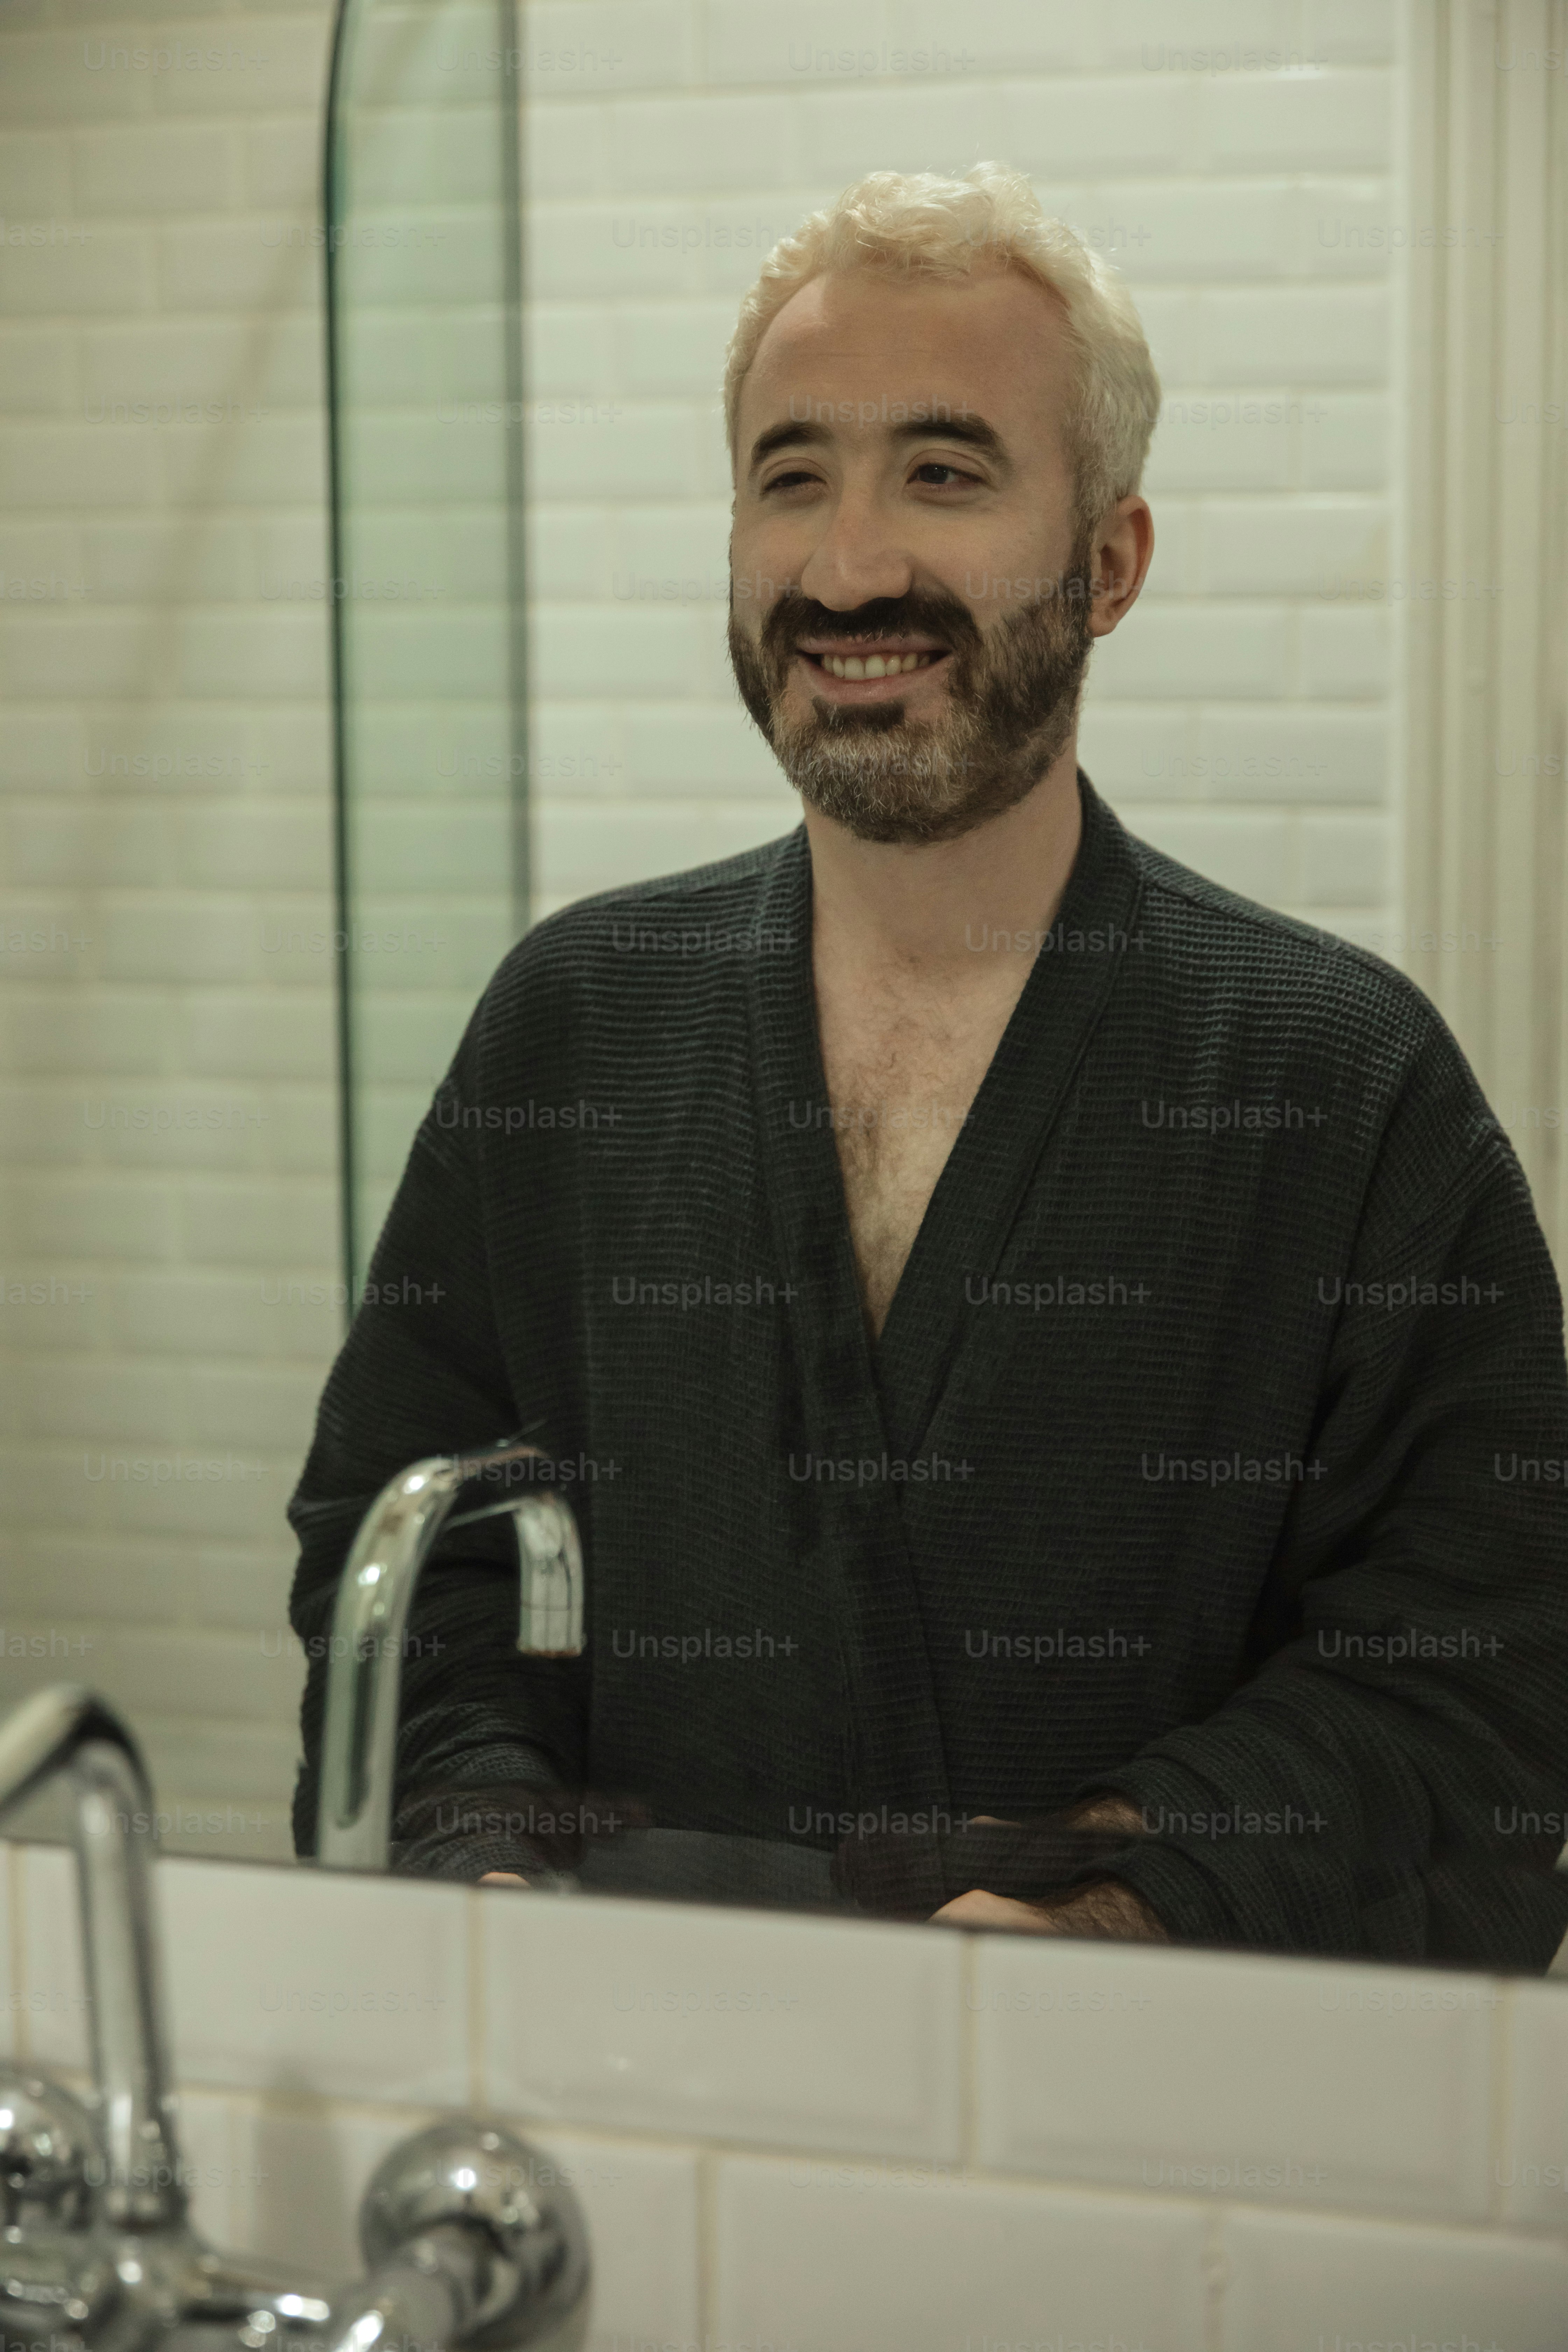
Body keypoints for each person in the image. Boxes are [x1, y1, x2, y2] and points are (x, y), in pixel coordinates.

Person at [288, 163, 1568, 1964]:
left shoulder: (1336, 1084)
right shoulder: (572, 1026)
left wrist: (1091, 1915)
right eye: (789, 477)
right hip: (628, 2065)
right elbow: (414, 1561)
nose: (849, 567)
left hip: (1139, 2104)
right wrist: (487, 1880)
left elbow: (1471, 1679)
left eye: (943, 473)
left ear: (1108, 564)